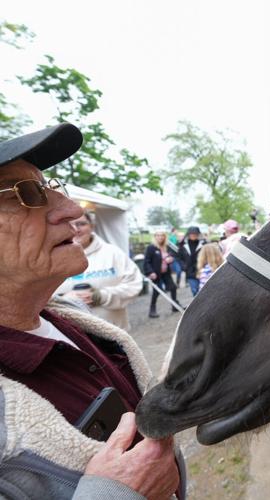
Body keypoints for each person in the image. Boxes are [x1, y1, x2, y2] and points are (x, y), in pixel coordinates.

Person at [0, 123, 183, 499]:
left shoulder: (69, 320)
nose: (70, 211)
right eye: (28, 193)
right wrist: (114, 493)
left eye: (53, 188)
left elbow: (132, 283)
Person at [55, 211, 142, 330]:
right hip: (70, 337)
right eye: (70, 224)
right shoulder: (53, 258)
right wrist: (63, 299)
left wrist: (101, 296)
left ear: (92, 226)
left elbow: (134, 284)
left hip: (113, 335)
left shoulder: (113, 253)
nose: (76, 229)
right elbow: (38, 295)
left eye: (81, 224)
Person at [144, 230, 181, 318]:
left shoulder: (166, 246)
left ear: (165, 237)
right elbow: (147, 262)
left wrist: (171, 259)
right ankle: (152, 310)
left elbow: (174, 254)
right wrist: (150, 272)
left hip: (165, 273)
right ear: (155, 236)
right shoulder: (151, 247)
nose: (160, 237)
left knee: (173, 287)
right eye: (158, 235)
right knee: (157, 291)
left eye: (162, 235)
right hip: (156, 273)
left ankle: (174, 306)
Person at [177, 226, 205, 296]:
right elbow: (179, 258)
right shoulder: (182, 245)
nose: (193, 235)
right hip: (189, 272)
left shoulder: (203, 244)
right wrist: (183, 266)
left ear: (198, 234)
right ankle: (197, 305)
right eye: (191, 234)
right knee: (194, 290)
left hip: (202, 271)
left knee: (203, 290)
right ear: (188, 234)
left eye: (195, 233)